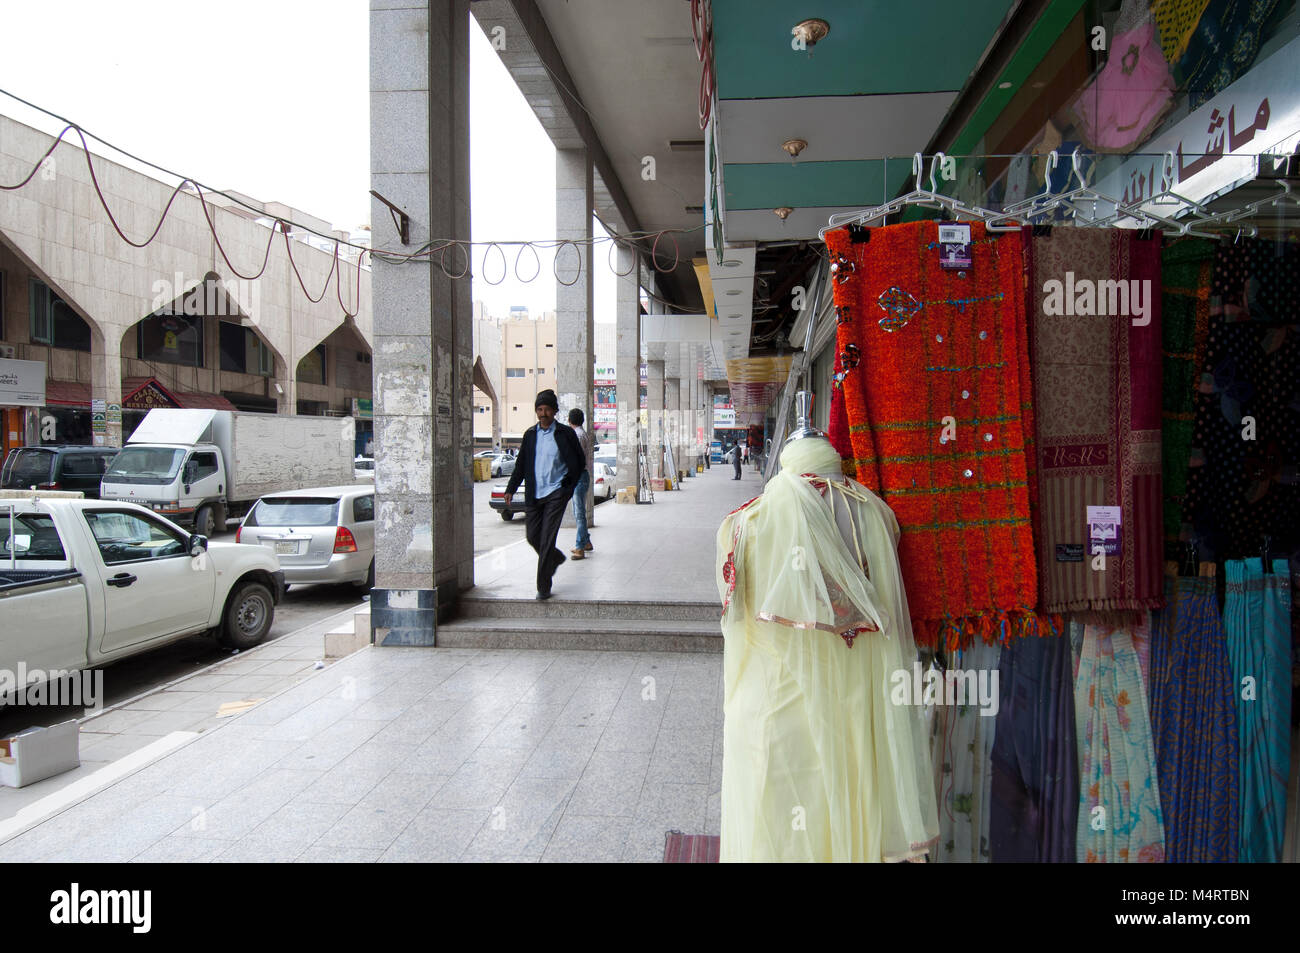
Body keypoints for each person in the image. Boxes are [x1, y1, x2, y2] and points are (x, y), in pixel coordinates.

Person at [504, 390, 586, 599]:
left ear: (555, 411)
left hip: (556, 492)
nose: (543, 413)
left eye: (547, 409)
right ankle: (556, 558)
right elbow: (521, 464)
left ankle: (543, 587)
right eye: (540, 409)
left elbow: (579, 462)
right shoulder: (530, 435)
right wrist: (511, 488)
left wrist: (567, 486)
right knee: (533, 536)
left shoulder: (565, 434)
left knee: (547, 537)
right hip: (534, 493)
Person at [567, 407, 593, 560]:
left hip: (578, 476)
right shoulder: (584, 434)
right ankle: (586, 542)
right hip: (584, 475)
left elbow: (574, 459)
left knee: (579, 513)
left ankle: (580, 547)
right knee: (580, 511)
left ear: (569, 420)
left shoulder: (576, 436)